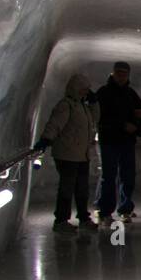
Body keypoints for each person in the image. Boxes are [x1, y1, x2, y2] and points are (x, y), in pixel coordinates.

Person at [35, 73, 100, 234]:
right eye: (83, 90)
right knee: (67, 188)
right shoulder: (66, 105)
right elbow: (55, 124)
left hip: (81, 155)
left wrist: (94, 103)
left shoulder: (82, 107)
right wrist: (46, 139)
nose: (85, 93)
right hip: (67, 155)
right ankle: (61, 220)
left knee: (81, 189)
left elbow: (94, 119)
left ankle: (83, 217)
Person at [92, 60, 141, 226]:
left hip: (126, 141)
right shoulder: (103, 93)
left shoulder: (130, 93)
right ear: (113, 73)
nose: (122, 76)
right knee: (109, 176)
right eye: (119, 73)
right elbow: (99, 117)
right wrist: (122, 125)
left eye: (124, 73)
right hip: (109, 140)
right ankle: (105, 210)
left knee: (127, 175)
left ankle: (124, 208)